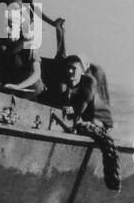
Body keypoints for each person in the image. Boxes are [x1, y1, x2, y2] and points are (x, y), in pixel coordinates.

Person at [46, 55, 120, 191]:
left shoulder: (89, 82)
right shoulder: (65, 83)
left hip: (96, 119)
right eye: (68, 68)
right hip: (78, 118)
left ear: (81, 71)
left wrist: (74, 120)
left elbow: (83, 103)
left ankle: (112, 181)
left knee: (97, 131)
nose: (70, 72)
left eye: (74, 69)